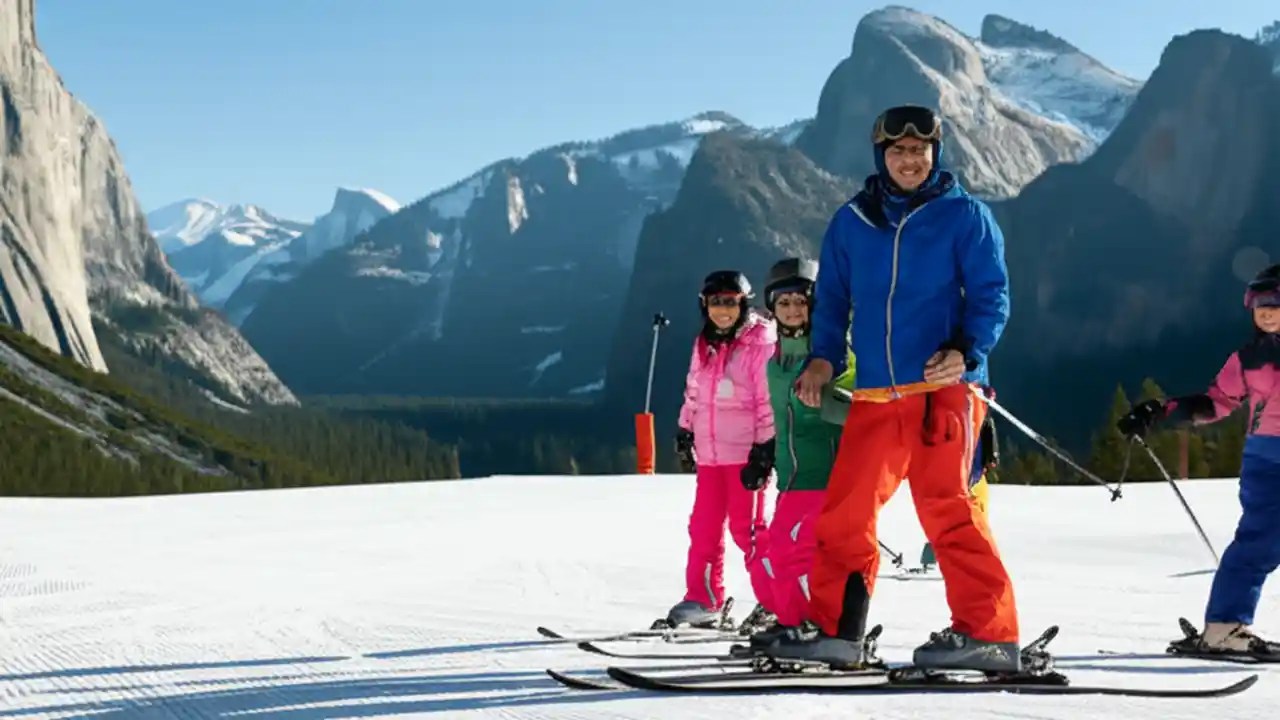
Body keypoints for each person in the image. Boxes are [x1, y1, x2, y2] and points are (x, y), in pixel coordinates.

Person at [769, 104, 1020, 672]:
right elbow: (831, 301)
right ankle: (838, 631)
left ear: (935, 153)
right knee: (844, 513)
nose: (910, 160)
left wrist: (965, 351)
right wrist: (822, 360)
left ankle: (988, 634)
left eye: (920, 150)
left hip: (945, 391)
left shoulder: (966, 217)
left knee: (950, 511)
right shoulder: (852, 222)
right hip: (878, 395)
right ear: (881, 156)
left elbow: (991, 296)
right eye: (899, 151)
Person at [1117, 264, 1280, 655]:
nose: (1268, 311)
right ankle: (1224, 629)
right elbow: (1216, 403)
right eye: (1260, 305)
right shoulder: (1249, 359)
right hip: (1268, 461)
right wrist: (1162, 411)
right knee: (1259, 542)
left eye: (1276, 304)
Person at [667, 270, 779, 630]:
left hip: (745, 455)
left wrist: (765, 449)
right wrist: (686, 430)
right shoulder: (705, 343)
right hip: (711, 455)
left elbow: (767, 402)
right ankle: (704, 598)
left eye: (730, 302)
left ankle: (777, 602)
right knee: (703, 527)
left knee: (749, 531)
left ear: (744, 304)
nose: (723, 310)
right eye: (716, 302)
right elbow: (694, 392)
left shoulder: (760, 344)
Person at [748, 258, 845, 647]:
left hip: (827, 475)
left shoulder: (832, 356)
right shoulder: (774, 363)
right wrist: (765, 451)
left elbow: (864, 409)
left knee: (802, 553)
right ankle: (789, 621)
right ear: (771, 307)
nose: (792, 310)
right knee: (769, 556)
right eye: (783, 302)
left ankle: (814, 626)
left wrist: (830, 399)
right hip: (790, 478)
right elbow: (779, 416)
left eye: (800, 302)